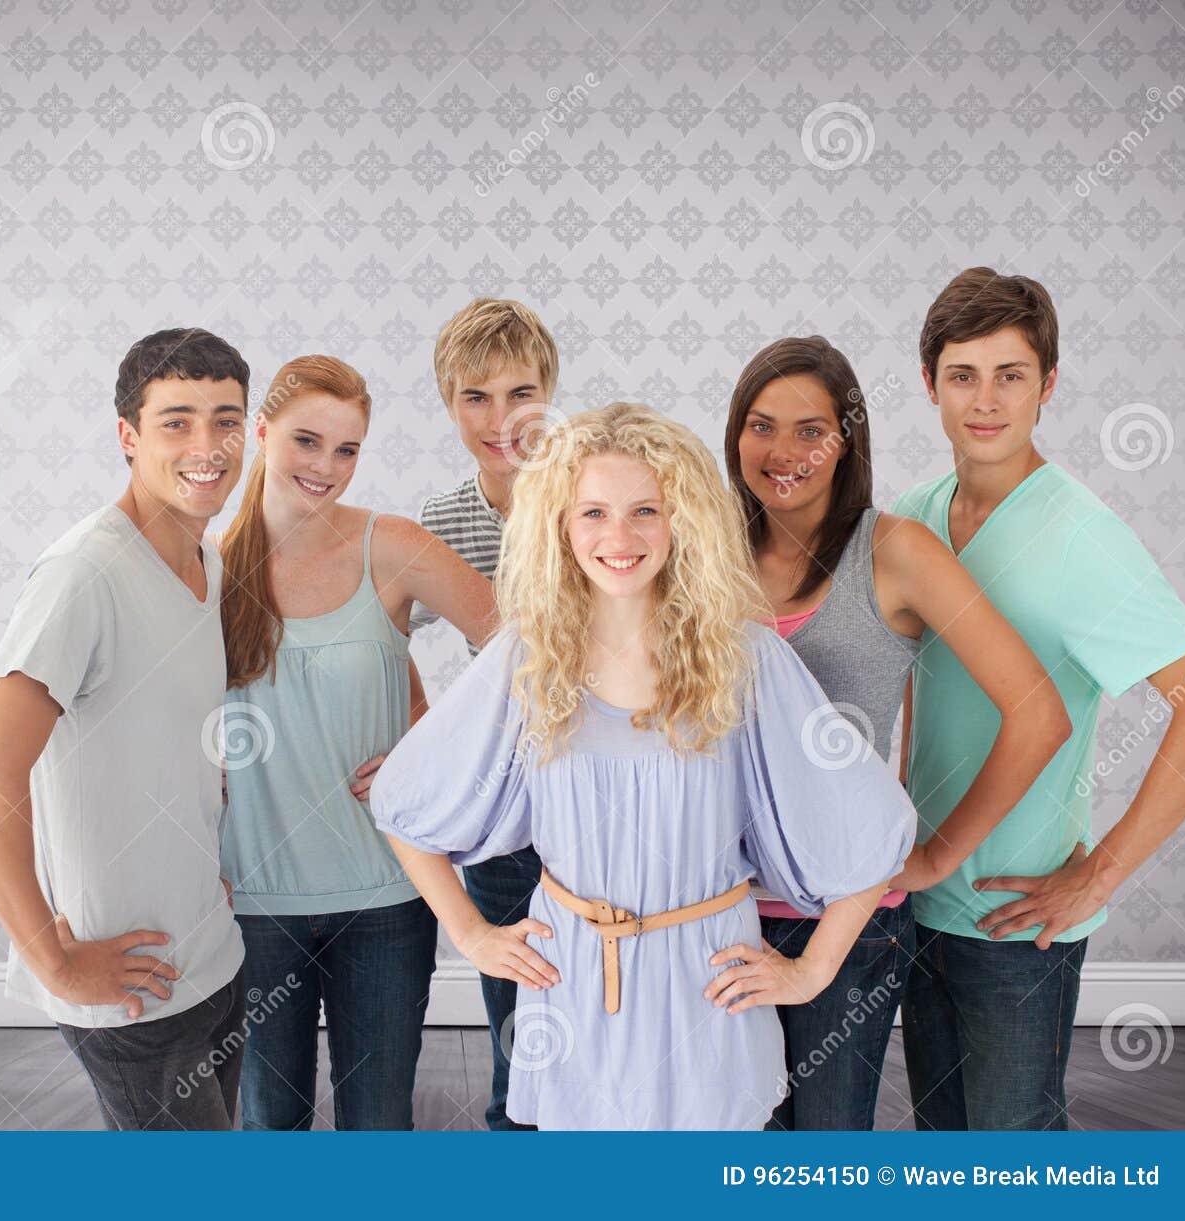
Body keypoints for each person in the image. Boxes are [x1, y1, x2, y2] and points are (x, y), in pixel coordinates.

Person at [370, 403, 915, 1129]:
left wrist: (811, 968)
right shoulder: (528, 660)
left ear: (680, 520)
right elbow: (405, 804)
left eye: (645, 510)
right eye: (592, 511)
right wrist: (469, 933)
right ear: (561, 527)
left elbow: (874, 826)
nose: (618, 537)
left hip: (707, 979)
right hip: (572, 981)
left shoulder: (744, 659)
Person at [723, 336, 1068, 1130]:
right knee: (729, 1141)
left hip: (845, 916)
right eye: (761, 425)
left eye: (812, 429)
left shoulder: (896, 552)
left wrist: (937, 854)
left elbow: (1038, 710)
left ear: (848, 440)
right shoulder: (705, 553)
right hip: (717, 905)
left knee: (824, 1154)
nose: (783, 451)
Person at [893, 267, 1185, 1130]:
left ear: (1047, 384)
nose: (985, 401)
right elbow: (923, 693)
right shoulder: (917, 516)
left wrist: (1098, 873)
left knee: (1018, 1161)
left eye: (1010, 374)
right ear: (930, 385)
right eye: (962, 375)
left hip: (1021, 926)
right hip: (921, 901)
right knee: (943, 1146)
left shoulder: (1087, 539)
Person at [0, 328, 251, 1130]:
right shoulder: (83, 574)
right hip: (130, 984)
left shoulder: (207, 564)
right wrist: (52, 958)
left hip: (211, 955)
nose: (208, 445)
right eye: (177, 421)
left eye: (226, 419)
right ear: (128, 437)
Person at [217, 355, 497, 1130]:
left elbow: (524, 653)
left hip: (386, 897)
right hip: (252, 906)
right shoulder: (205, 569)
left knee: (378, 1124)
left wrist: (436, 755)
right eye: (308, 441)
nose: (326, 467)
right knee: (272, 1123)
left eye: (347, 450)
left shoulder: (392, 544)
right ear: (262, 434)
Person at [407, 296, 560, 1130]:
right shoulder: (443, 521)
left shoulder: (593, 500)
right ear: (448, 403)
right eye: (476, 397)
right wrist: (418, 735)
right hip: (505, 813)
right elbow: (376, 628)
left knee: (607, 1009)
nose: (500, 420)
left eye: (520, 393)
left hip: (605, 796)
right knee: (518, 1024)